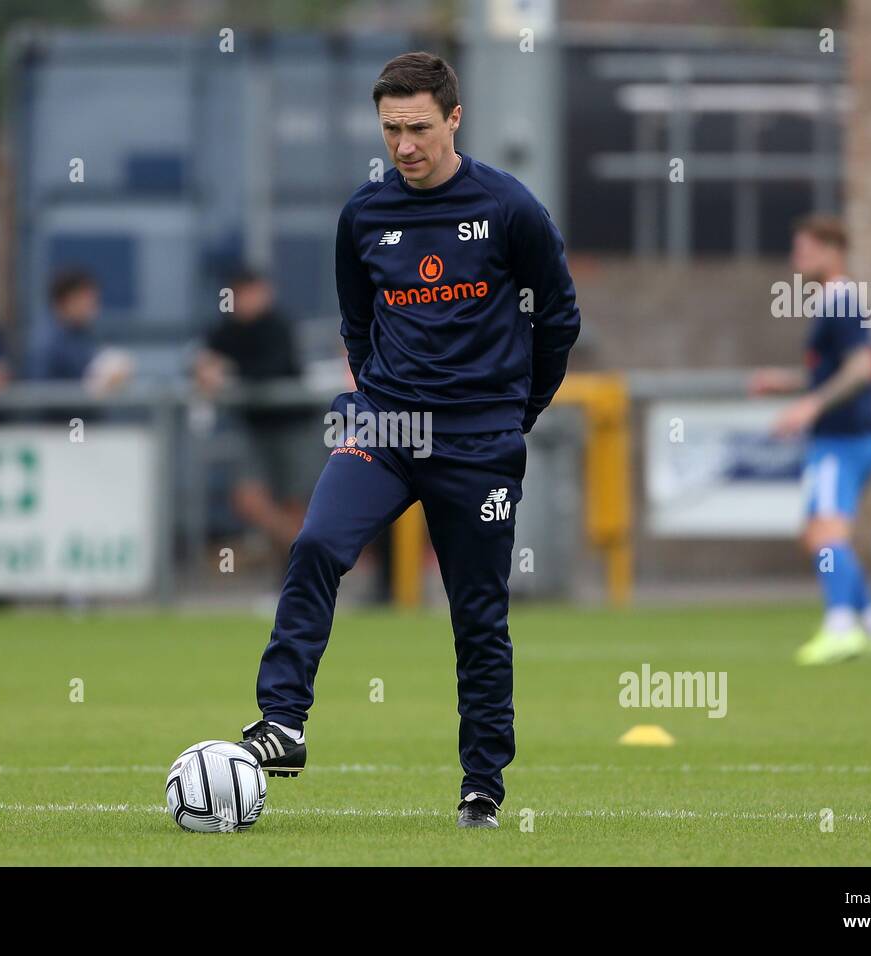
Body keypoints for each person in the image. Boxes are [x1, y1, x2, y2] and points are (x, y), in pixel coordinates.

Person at [234, 53, 581, 829]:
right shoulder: (362, 214)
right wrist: (376, 395)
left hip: (480, 438)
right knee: (318, 543)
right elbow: (357, 325)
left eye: (419, 127)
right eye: (391, 130)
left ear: (454, 118)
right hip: (386, 424)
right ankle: (283, 722)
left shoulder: (509, 208)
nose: (405, 145)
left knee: (477, 616)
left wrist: (514, 413)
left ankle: (481, 787)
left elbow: (559, 318)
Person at [751, 213, 871, 665]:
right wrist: (790, 384)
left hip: (843, 440)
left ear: (832, 251)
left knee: (825, 534)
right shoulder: (830, 302)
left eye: (806, 248)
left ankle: (841, 626)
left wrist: (810, 406)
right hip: (845, 438)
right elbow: (833, 372)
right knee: (819, 534)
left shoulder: (842, 301)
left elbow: (864, 366)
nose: (798, 257)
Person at [194, 268, 313, 555]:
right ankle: (314, 552)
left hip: (293, 428)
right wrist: (204, 368)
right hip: (255, 430)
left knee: (294, 503)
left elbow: (272, 368)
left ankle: (298, 573)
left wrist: (228, 372)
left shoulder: (279, 325)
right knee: (249, 500)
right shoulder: (227, 329)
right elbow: (201, 358)